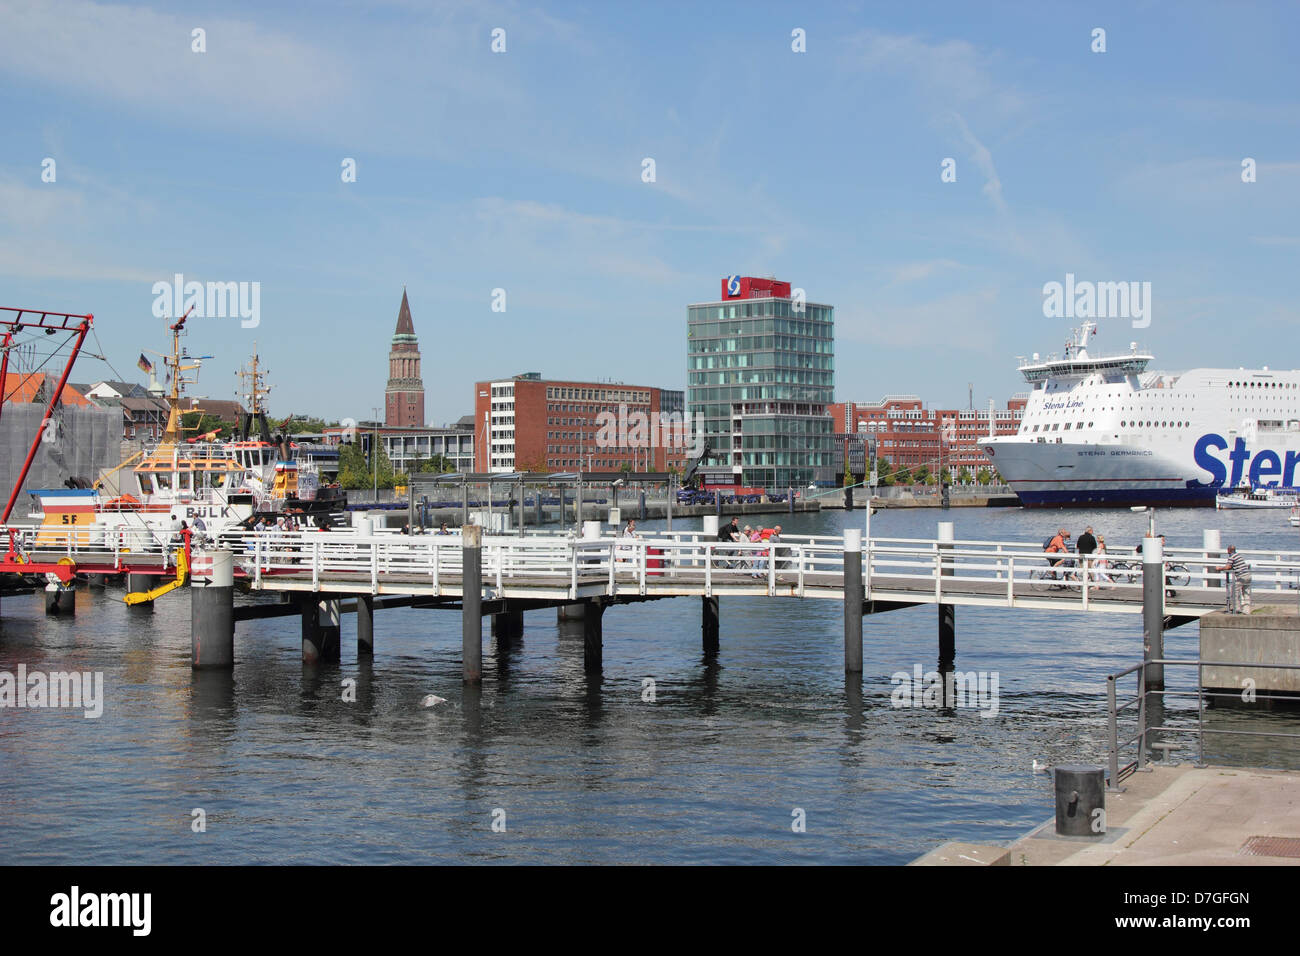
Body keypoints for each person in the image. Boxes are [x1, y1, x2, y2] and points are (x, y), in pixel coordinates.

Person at [1215, 545, 1252, 614]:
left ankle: (1237, 608)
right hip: (1248, 575)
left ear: (1229, 550)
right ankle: (1247, 610)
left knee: (1234, 591)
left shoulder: (1231, 557)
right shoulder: (1238, 555)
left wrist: (1219, 568)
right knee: (1246, 593)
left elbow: (1228, 567)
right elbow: (1234, 566)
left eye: (1227, 550)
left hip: (1242, 577)